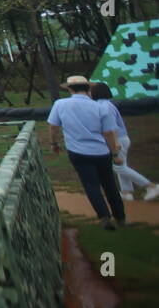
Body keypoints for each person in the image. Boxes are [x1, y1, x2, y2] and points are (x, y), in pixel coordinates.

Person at [48, 75, 127, 229]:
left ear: (69, 89)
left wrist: (54, 143)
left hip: (77, 152)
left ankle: (104, 217)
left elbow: (53, 126)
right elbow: (109, 133)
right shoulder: (100, 107)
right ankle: (121, 218)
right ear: (88, 88)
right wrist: (115, 154)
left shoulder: (60, 104)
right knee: (110, 185)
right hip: (102, 152)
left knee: (91, 185)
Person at [91, 83, 159, 201]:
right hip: (121, 138)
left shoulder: (103, 106)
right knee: (122, 166)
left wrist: (115, 144)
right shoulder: (106, 104)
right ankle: (126, 192)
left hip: (117, 139)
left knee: (118, 167)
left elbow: (111, 128)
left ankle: (151, 186)